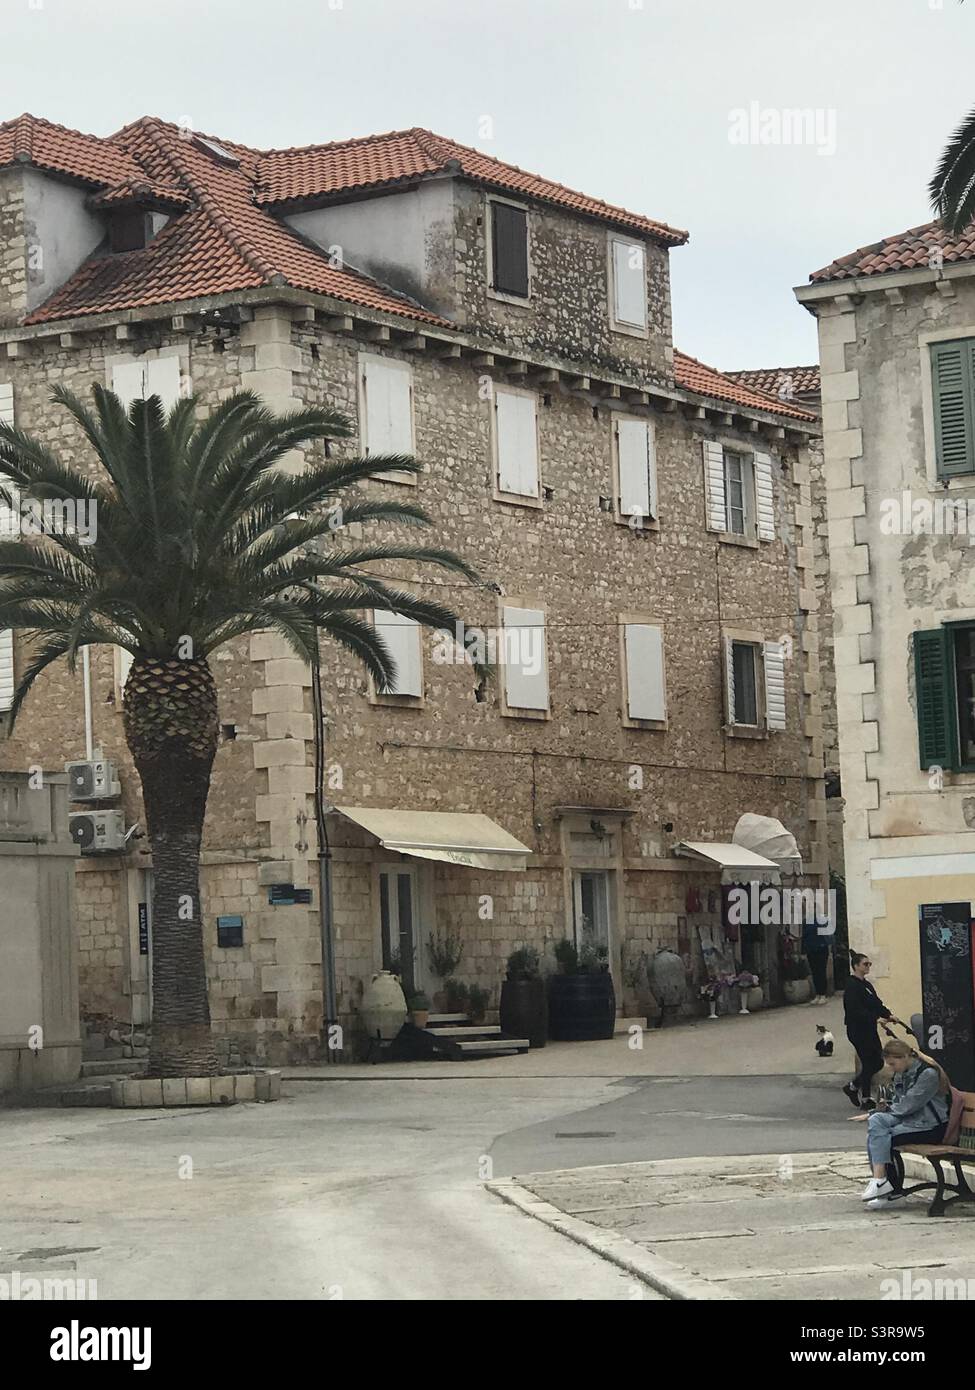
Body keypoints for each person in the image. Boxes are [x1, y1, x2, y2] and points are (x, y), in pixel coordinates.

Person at [850, 1039, 950, 1209]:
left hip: (930, 1126)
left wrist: (874, 1113)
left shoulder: (928, 1074)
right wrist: (877, 1112)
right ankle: (881, 1182)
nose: (890, 1068)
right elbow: (897, 1102)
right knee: (877, 1124)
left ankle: (885, 1186)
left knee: (880, 1134)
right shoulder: (902, 1072)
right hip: (911, 1121)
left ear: (904, 1057)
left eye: (892, 1063)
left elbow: (908, 1105)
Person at [842, 950, 896, 1108]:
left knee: (877, 1062)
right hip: (857, 1030)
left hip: (869, 1029)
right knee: (868, 1061)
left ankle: (853, 1087)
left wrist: (888, 1015)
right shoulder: (851, 986)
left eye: (869, 964)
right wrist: (874, 1018)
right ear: (856, 966)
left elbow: (876, 1004)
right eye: (865, 964)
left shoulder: (866, 985)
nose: (868, 967)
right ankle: (865, 1098)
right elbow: (854, 1010)